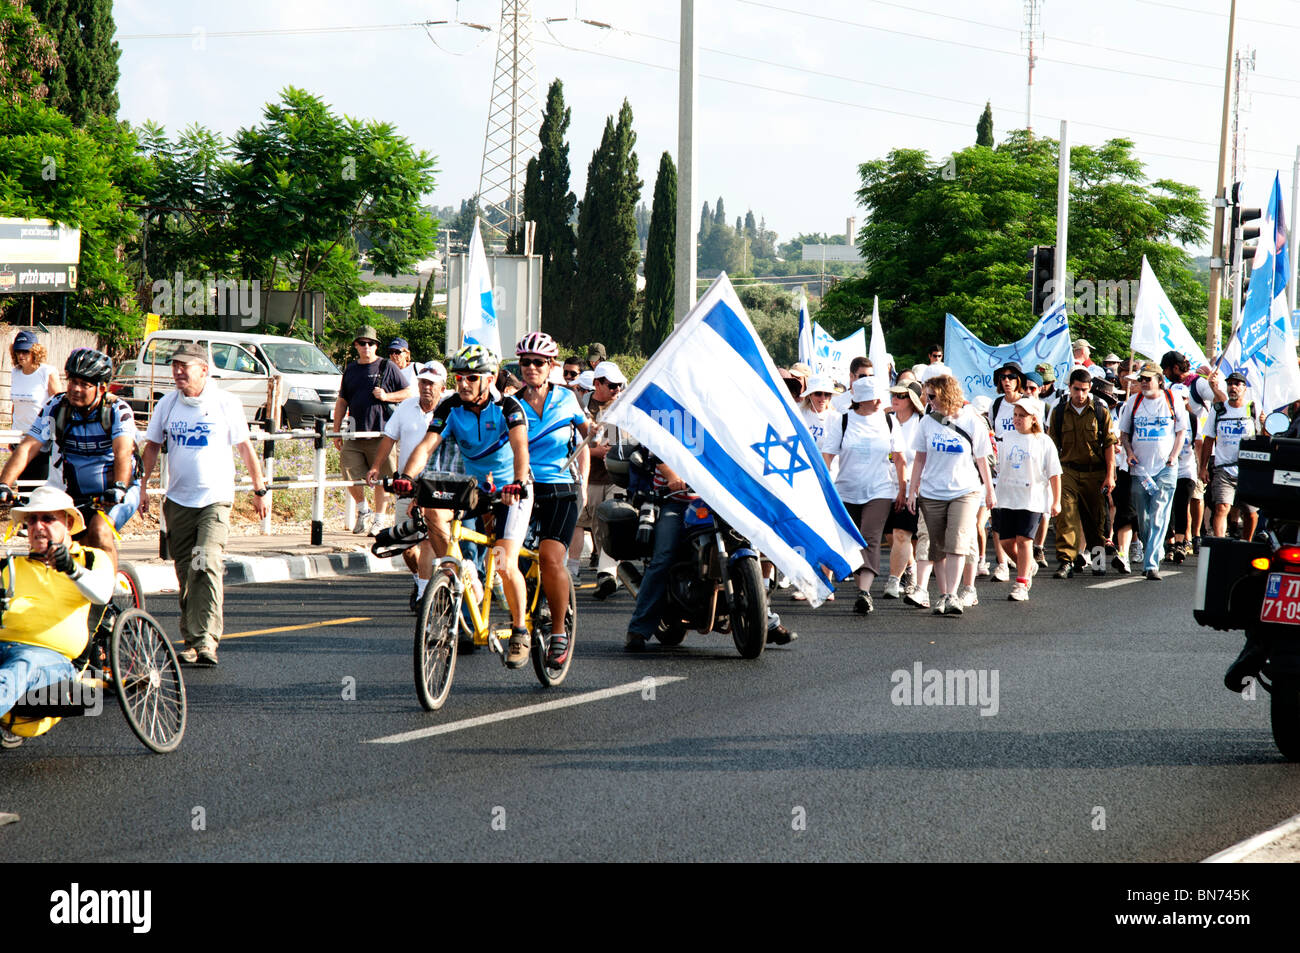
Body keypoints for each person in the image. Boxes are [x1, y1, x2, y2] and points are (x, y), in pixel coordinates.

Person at [396, 345, 534, 667]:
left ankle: (519, 630)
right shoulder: (451, 407)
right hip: (475, 491)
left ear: (491, 379)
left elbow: (520, 448)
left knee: (503, 562)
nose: (463, 383)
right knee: (433, 511)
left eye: (472, 377)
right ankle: (461, 569)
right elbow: (426, 446)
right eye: (459, 377)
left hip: (511, 491)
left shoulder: (509, 407)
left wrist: (516, 482)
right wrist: (406, 476)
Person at [139, 343, 270, 666]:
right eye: (175, 365)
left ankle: (207, 641)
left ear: (203, 370)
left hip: (215, 499)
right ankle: (192, 640)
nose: (179, 371)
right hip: (178, 500)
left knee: (207, 564)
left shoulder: (225, 402)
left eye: (185, 365)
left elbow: (244, 447)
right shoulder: (167, 405)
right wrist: (140, 486)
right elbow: (153, 447)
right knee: (186, 573)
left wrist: (259, 488)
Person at [0, 348, 139, 572]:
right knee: (51, 537)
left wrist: (119, 487)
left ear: (102, 388)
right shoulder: (56, 407)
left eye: (85, 384)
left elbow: (123, 453)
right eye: (72, 381)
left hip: (115, 492)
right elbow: (28, 447)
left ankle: (107, 596)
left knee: (99, 531)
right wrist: (4, 483)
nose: (75, 389)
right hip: (73, 492)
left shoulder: (117, 410)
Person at [0, 487, 116, 750]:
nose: (38, 526)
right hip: (5, 646)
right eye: (31, 520)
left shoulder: (90, 558)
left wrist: (71, 568)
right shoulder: (10, 565)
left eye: (48, 519)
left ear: (68, 523)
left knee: (20, 668)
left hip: (50, 658)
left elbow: (102, 594)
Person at [514, 332, 588, 668]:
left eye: (538, 363)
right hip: (524, 490)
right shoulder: (511, 404)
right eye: (525, 362)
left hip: (561, 491)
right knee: (505, 557)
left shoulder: (568, 400)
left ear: (551, 366)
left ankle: (558, 630)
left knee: (549, 556)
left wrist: (584, 481)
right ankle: (519, 623)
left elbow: (587, 436)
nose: (531, 368)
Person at [366, 362, 455, 610]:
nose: (426, 388)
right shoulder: (406, 407)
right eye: (423, 382)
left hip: (436, 486)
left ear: (443, 387)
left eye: (431, 384)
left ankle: (424, 597)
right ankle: (420, 580)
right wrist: (376, 466)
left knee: (427, 541)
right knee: (406, 547)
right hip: (407, 484)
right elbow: (389, 438)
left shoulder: (450, 412)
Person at [906, 373, 995, 616]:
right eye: (927, 396)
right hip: (932, 491)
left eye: (932, 396)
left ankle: (953, 595)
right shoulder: (927, 421)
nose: (928, 400)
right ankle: (944, 594)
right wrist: (911, 490)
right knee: (938, 547)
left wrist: (989, 490)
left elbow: (981, 459)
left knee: (957, 543)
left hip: (964, 491)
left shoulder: (972, 420)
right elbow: (920, 458)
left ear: (947, 394)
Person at [821, 377, 904, 614]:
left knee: (870, 536)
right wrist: (826, 485)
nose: (879, 401)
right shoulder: (843, 421)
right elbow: (827, 455)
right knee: (850, 540)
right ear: (859, 400)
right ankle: (860, 587)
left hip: (880, 489)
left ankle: (864, 592)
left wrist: (903, 488)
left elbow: (899, 457)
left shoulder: (889, 421)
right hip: (846, 490)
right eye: (873, 397)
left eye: (880, 396)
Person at [334, 326, 412, 536]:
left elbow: (409, 391)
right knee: (349, 474)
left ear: (376, 346)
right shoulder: (350, 369)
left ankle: (379, 519)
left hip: (382, 434)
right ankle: (363, 510)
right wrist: (336, 430)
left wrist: (387, 397)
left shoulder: (388, 366)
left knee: (383, 479)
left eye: (370, 343)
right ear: (356, 346)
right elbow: (342, 400)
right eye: (362, 343)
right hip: (354, 432)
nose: (366, 347)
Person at [1118, 361, 1188, 580]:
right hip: (1140, 470)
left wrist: (1174, 456)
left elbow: (1181, 432)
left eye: (1148, 379)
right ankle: (1154, 551)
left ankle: (1150, 564)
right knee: (1144, 517)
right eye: (1142, 379)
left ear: (1160, 380)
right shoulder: (1133, 401)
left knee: (1159, 514)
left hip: (1165, 468)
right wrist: (1129, 453)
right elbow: (1124, 433)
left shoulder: (1172, 400)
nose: (1144, 383)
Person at [1047, 369, 1116, 578]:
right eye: (1076, 389)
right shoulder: (1059, 412)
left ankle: (1097, 561)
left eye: (1084, 390)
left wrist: (1110, 474)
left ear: (1090, 389)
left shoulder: (1100, 411)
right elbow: (1052, 445)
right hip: (1067, 470)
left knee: (1095, 519)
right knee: (1065, 516)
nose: (1080, 394)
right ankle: (1066, 561)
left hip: (1094, 472)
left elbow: (1109, 444)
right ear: (1070, 387)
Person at [993, 397, 1061, 601]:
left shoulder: (1043, 441)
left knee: (1024, 540)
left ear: (1033, 419)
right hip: (1006, 496)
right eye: (1015, 415)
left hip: (1032, 498)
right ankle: (1028, 564)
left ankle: (1021, 583)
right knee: (1005, 542)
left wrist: (1055, 501)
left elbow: (1054, 473)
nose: (1017, 419)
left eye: (1022, 416)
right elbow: (996, 463)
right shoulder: (1005, 437)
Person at [570, 360, 628, 596]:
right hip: (587, 477)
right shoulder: (579, 406)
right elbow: (573, 442)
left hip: (616, 478)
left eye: (619, 385)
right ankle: (572, 570)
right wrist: (594, 452)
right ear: (597, 384)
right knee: (579, 523)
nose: (616, 389)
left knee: (612, 523)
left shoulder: (624, 407)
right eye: (611, 385)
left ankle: (607, 574)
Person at [1200, 371, 1260, 542]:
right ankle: (1220, 546)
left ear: (1244, 388)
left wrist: (1263, 424)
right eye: (1230, 384)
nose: (1233, 387)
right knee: (1221, 507)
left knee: (1251, 513)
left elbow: (1264, 436)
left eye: (1237, 384)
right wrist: (1203, 468)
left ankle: (1246, 545)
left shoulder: (1253, 408)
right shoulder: (1218, 410)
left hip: (1247, 469)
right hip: (1223, 468)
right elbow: (1208, 439)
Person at [882, 380, 924, 599]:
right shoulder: (885, 420)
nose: (895, 399)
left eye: (901, 396)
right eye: (894, 395)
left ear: (913, 401)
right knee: (891, 536)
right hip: (883, 487)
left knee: (901, 534)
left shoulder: (921, 422)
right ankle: (910, 567)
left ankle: (895, 580)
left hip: (910, 489)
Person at [7, 329, 62, 484]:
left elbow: (59, 403)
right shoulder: (15, 373)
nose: (21, 355)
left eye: (26, 351)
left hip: (41, 437)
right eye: (18, 351)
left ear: (35, 351)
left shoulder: (47, 372)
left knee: (39, 484)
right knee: (23, 483)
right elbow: (15, 406)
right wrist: (13, 434)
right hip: (20, 435)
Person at [987, 363, 1025, 582]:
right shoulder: (997, 404)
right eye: (1002, 377)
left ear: (1018, 379)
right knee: (997, 517)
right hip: (1000, 469)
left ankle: (1024, 560)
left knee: (1019, 519)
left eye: (1011, 376)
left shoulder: (1028, 403)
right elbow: (991, 433)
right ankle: (1001, 563)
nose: (1007, 381)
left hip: (1022, 468)